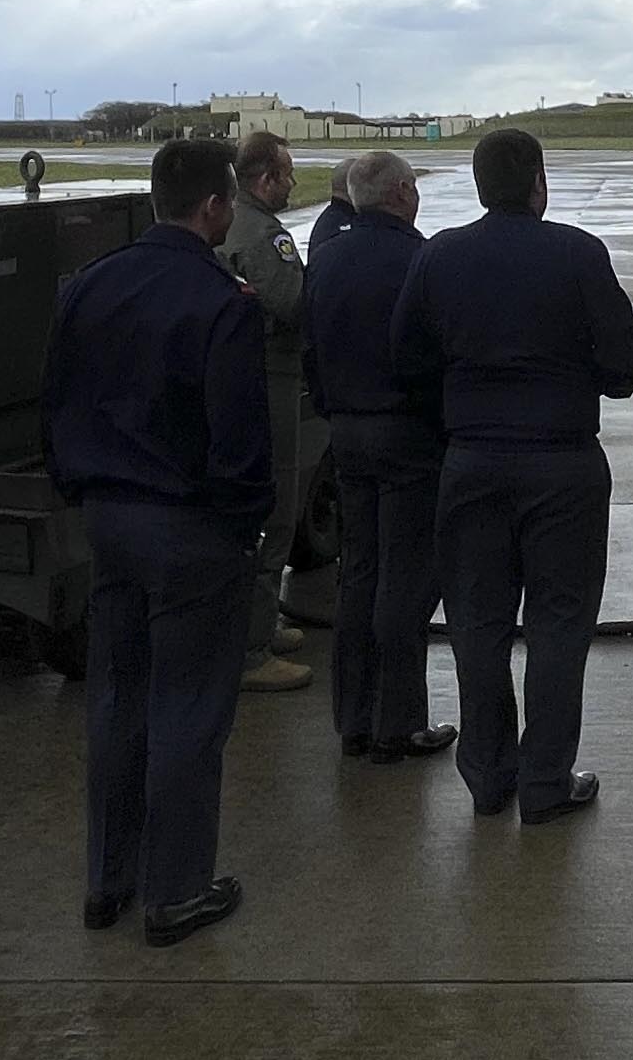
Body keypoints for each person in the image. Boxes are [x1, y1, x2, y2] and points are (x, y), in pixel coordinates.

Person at [46, 138, 272, 945]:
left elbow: (58, 402)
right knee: (189, 708)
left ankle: (108, 879)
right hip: (190, 525)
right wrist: (243, 526)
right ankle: (175, 889)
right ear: (214, 206)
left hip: (108, 519)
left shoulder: (90, 285)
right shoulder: (223, 300)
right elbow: (239, 441)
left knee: (117, 698)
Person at [392, 128, 633, 825]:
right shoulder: (577, 252)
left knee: (477, 623)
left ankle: (486, 775)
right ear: (537, 180)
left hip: (471, 456)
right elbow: (625, 368)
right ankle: (544, 780)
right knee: (559, 625)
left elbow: (406, 358)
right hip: (560, 458)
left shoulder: (440, 254)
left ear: (478, 185)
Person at [302, 148, 456, 762]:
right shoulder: (419, 259)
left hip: (346, 432)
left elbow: (311, 343)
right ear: (397, 194)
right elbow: (432, 354)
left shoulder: (326, 256)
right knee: (406, 578)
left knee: (357, 573)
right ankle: (398, 723)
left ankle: (354, 719)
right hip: (406, 435)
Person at [214, 129, 316, 693]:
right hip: (270, 376)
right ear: (265, 179)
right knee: (274, 515)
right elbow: (292, 301)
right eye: (287, 173)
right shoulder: (262, 234)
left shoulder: (233, 221)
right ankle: (252, 650)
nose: (294, 183)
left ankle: (260, 626)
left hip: (247, 375)